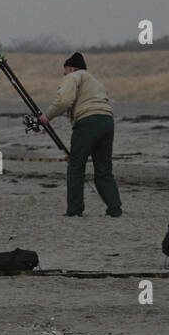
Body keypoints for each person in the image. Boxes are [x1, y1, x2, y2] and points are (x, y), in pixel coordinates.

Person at [38, 52, 122, 218]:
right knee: (104, 170)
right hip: (107, 122)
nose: (64, 73)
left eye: (65, 70)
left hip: (87, 121)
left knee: (76, 167)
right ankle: (115, 208)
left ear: (72, 68)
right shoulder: (95, 82)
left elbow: (64, 101)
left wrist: (47, 117)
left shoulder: (74, 76)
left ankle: (75, 210)